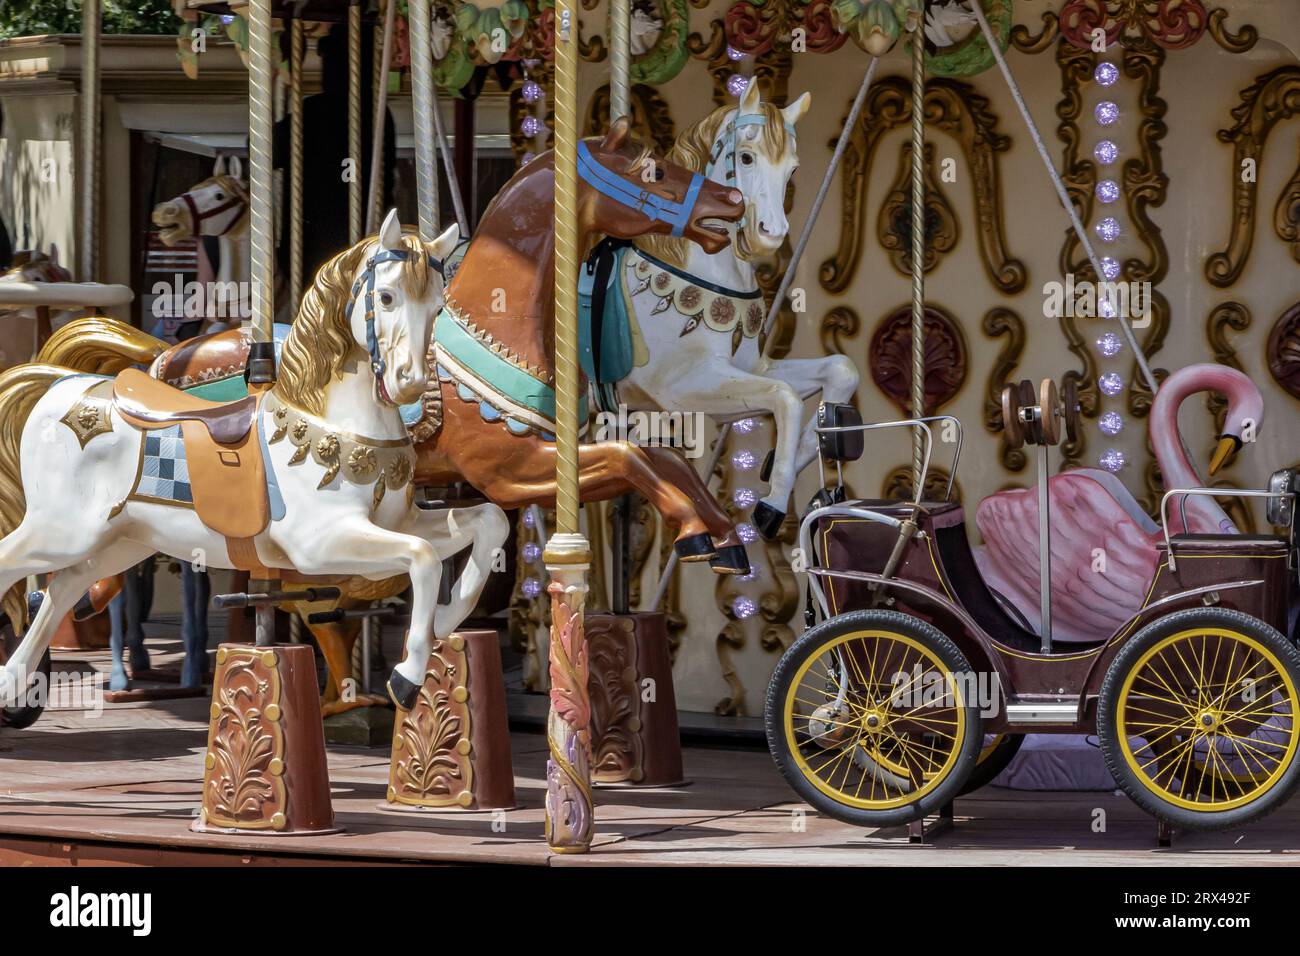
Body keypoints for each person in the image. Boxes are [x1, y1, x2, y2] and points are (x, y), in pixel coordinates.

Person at [275, 20, 396, 283]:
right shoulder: (379, 112)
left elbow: (267, 153)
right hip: (363, 232)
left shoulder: (314, 110)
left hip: (313, 237)